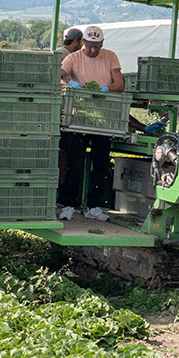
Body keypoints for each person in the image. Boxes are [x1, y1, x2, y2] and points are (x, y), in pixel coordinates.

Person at [58, 26, 123, 219]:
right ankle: (69, 204)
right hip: (79, 116)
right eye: (89, 46)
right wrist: (69, 84)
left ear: (102, 44)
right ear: (83, 43)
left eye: (97, 46)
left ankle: (95, 205)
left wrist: (107, 89)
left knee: (101, 162)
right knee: (75, 162)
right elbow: (58, 75)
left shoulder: (110, 56)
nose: (93, 50)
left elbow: (119, 83)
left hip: (103, 118)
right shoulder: (73, 58)